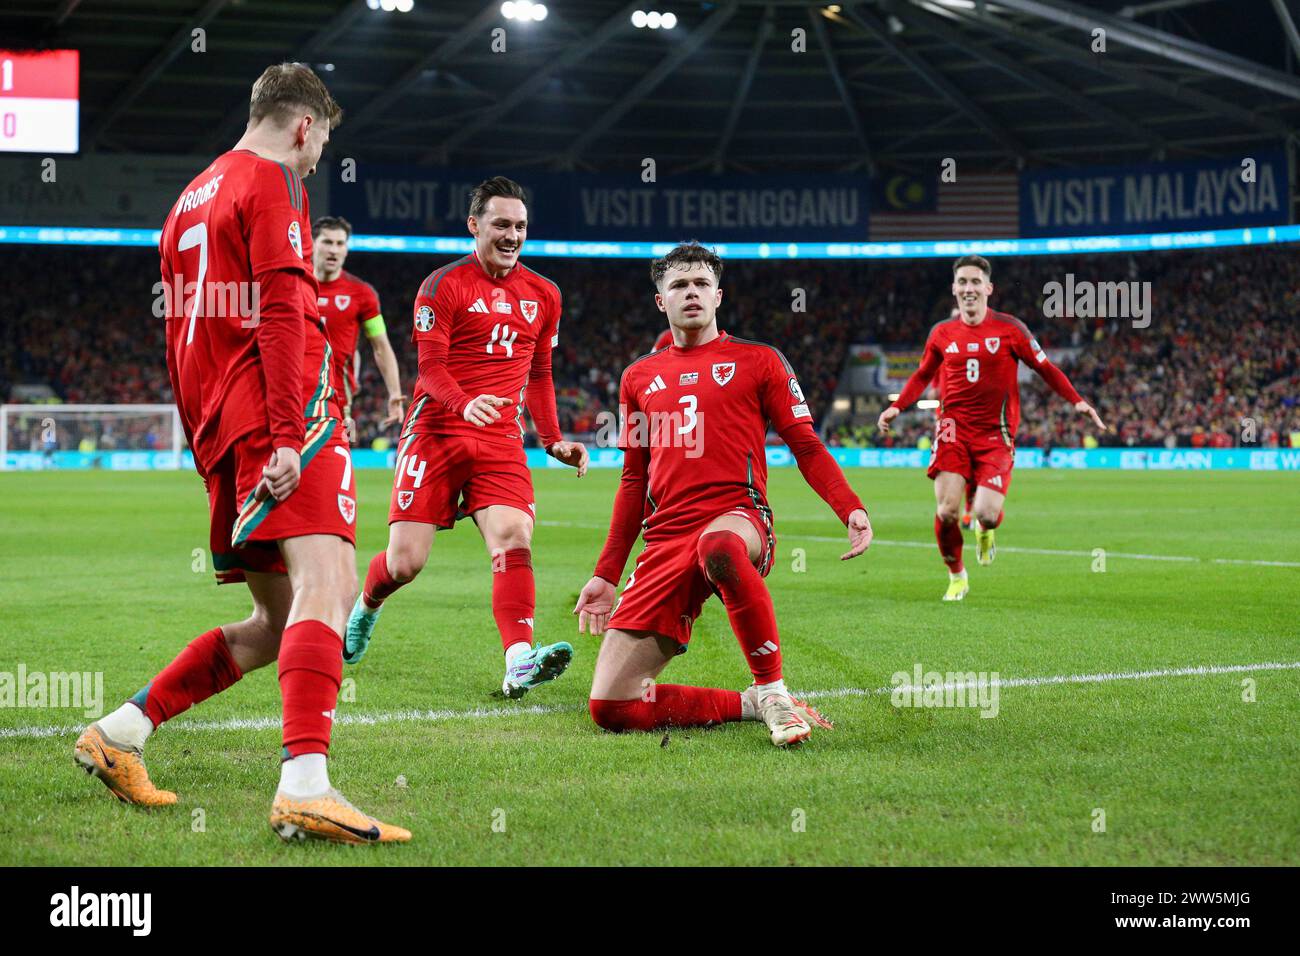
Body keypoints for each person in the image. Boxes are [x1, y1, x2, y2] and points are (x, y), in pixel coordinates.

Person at [75, 64, 409, 844]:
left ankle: (119, 732)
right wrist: (290, 434)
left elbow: (178, 338)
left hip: (221, 427)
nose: (317, 160)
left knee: (275, 617)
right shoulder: (271, 183)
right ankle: (305, 786)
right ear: (302, 126)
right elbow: (286, 313)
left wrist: (209, 448)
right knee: (331, 581)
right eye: (321, 142)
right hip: (274, 418)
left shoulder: (186, 198)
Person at [573, 241, 872, 747]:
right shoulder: (638, 377)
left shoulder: (759, 361)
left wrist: (851, 507)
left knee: (719, 548)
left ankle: (773, 690)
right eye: (679, 285)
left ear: (718, 296)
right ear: (660, 301)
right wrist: (606, 575)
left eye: (701, 284)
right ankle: (749, 704)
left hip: (739, 517)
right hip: (666, 536)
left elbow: (806, 444)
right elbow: (632, 482)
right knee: (612, 706)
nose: (691, 293)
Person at [346, 177, 588, 700]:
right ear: (474, 225)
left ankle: (519, 659)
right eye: (501, 224)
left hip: (500, 439)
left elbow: (541, 375)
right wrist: (464, 402)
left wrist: (552, 439)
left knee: (512, 538)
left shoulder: (545, 294)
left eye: (520, 226)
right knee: (405, 563)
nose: (512, 235)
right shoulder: (442, 285)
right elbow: (429, 370)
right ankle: (366, 605)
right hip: (436, 432)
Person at [878, 255, 1105, 601]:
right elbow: (923, 374)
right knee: (947, 510)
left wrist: (1076, 401)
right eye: (963, 282)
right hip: (952, 429)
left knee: (986, 513)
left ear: (988, 288)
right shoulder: (942, 333)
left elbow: (1045, 368)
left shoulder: (1011, 329)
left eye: (975, 282)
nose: (969, 289)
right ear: (954, 289)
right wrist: (897, 406)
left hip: (995, 434)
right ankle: (957, 576)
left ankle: (986, 530)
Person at [311, 215, 405, 443]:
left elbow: (381, 346)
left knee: (335, 466)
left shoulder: (362, 294)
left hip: (337, 399)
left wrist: (394, 393)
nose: (334, 250)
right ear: (312, 243)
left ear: (346, 249)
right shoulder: (292, 285)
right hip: (291, 393)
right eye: (327, 242)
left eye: (340, 243)